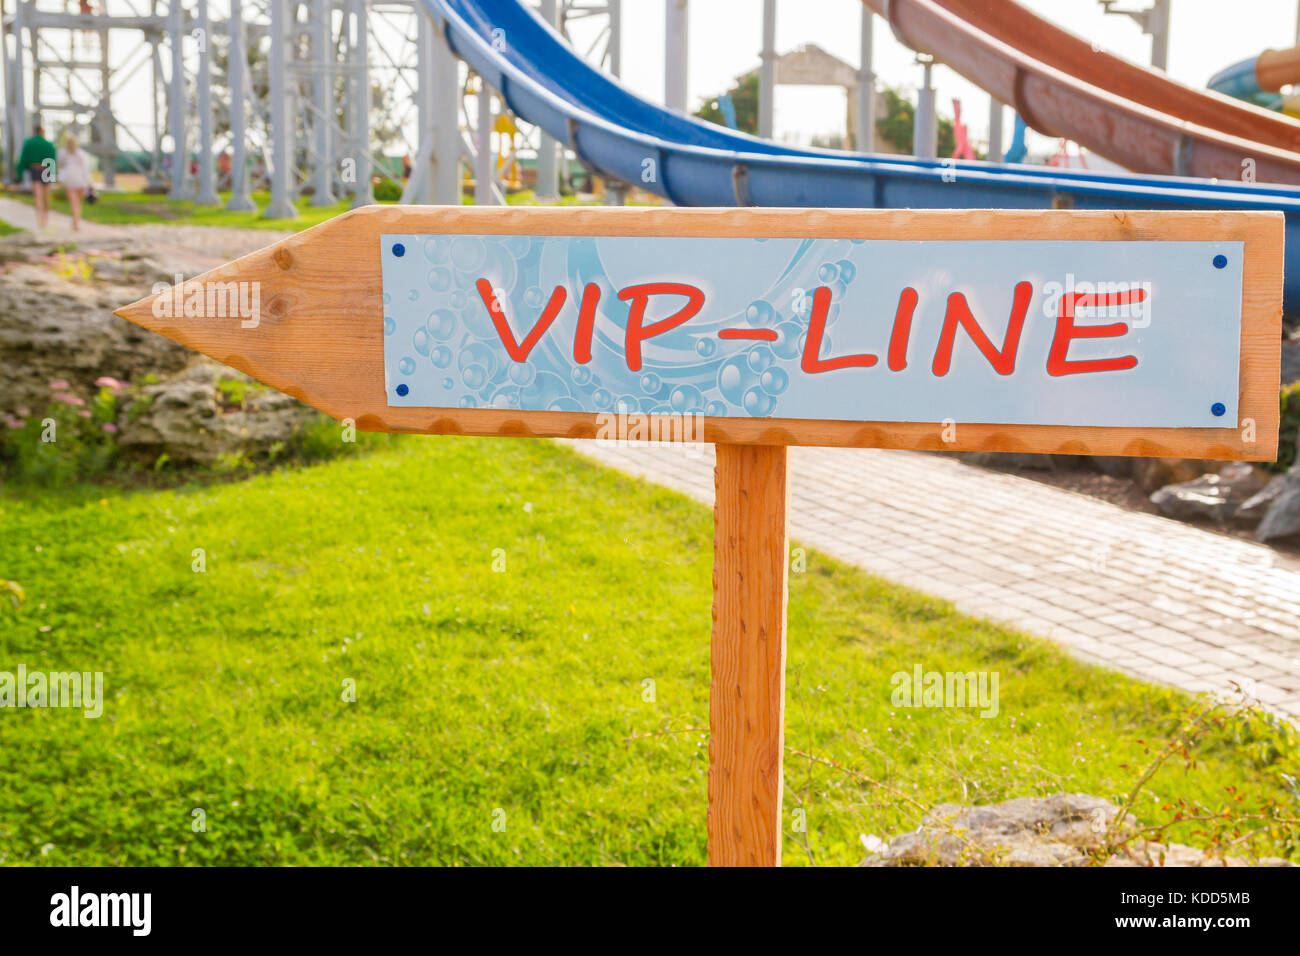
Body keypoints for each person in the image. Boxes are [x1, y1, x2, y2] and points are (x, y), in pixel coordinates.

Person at [15, 123, 56, 231]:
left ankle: (39, 219)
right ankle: (45, 218)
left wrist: (19, 173)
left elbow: (23, 158)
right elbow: (52, 160)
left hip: (35, 170)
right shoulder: (48, 144)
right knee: (46, 195)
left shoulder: (29, 143)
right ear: (42, 132)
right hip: (46, 170)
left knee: (37, 196)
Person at [57, 134, 93, 231]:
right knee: (79, 203)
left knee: (74, 203)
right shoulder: (81, 154)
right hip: (81, 180)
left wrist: (60, 178)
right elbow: (85, 169)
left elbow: (60, 166)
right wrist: (89, 182)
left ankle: (75, 221)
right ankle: (76, 221)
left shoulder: (63, 154)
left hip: (70, 179)